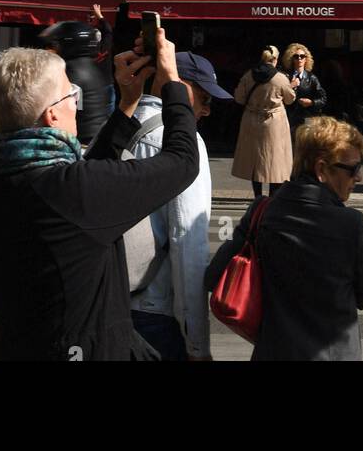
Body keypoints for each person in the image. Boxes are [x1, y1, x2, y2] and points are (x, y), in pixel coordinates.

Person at [0, 30, 199, 361]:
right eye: (70, 95)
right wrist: (172, 83)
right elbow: (183, 163)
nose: (76, 103)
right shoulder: (71, 190)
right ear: (52, 114)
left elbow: (82, 194)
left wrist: (127, 104)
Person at [207, 115, 363, 361]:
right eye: (353, 170)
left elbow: (214, 276)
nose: (358, 178)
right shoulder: (350, 224)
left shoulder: (262, 212)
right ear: (321, 169)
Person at [127, 51, 232, 362]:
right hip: (155, 311)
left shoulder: (117, 124)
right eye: (205, 98)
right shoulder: (183, 142)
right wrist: (197, 344)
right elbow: (188, 243)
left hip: (108, 302)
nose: (207, 110)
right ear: (182, 87)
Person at [37, 18, 114, 145]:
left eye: (55, 45)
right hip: (94, 137)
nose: (52, 49)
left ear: (67, 45)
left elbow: (67, 107)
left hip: (81, 140)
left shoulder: (72, 71)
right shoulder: (90, 66)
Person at [231, 46, 295, 197]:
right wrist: (292, 87)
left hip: (251, 119)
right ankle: (273, 195)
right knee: (275, 160)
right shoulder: (280, 78)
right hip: (274, 121)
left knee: (255, 160)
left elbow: (239, 98)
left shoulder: (248, 75)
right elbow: (290, 99)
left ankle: (257, 196)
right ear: (275, 59)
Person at [282, 43, 327, 133]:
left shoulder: (312, 78)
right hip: (290, 118)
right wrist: (291, 86)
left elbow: (323, 99)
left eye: (302, 56)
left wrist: (311, 102)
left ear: (306, 59)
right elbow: (279, 96)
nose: (299, 58)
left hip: (307, 118)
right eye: (296, 56)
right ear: (292, 59)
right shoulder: (285, 76)